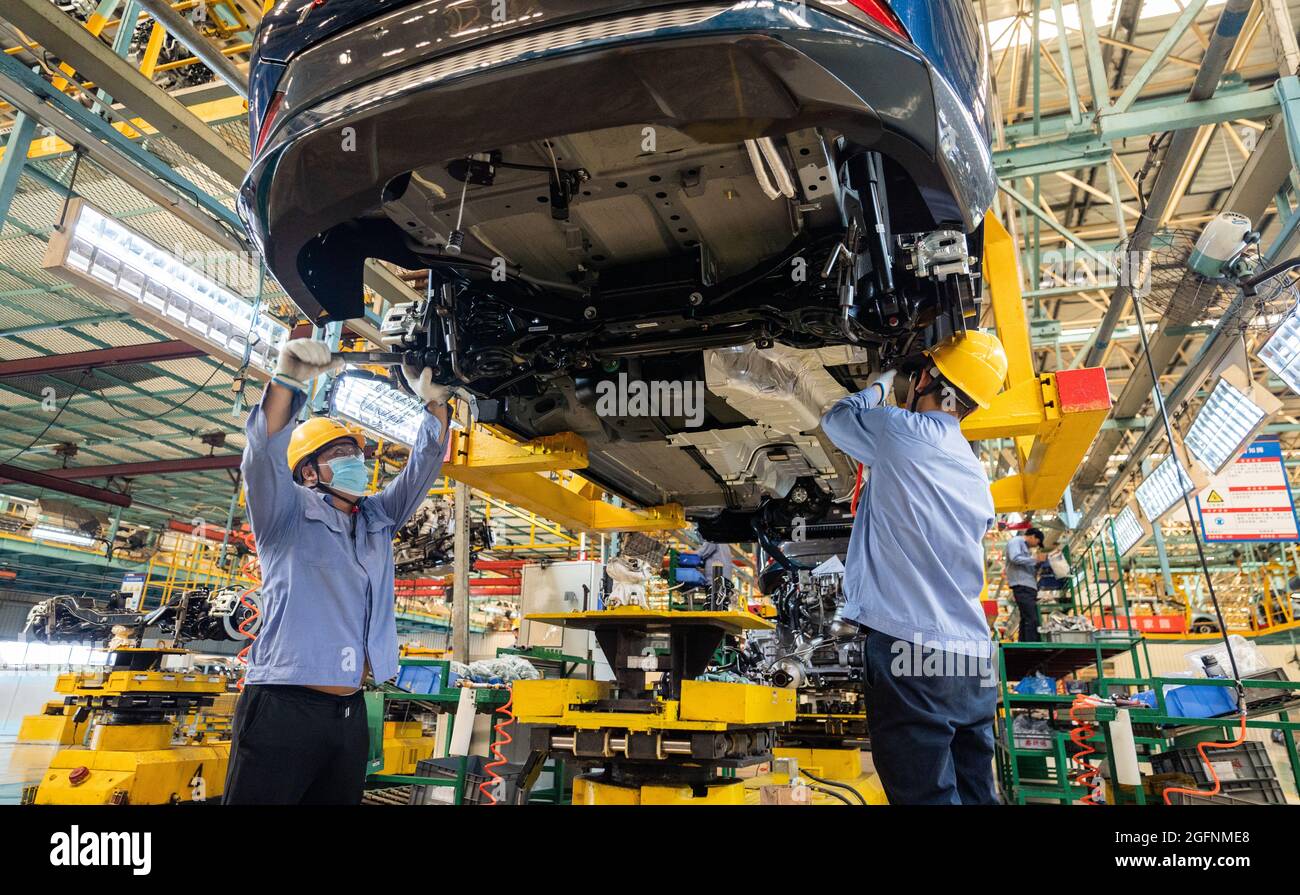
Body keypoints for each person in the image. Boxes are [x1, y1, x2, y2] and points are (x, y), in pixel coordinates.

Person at [223, 339, 451, 805]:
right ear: (308, 472)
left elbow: (424, 466)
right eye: (343, 453)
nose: (358, 461)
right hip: (284, 707)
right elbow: (263, 454)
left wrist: (436, 402)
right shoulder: (283, 515)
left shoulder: (376, 521)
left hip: (349, 712)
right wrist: (287, 381)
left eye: (358, 452)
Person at [820, 330, 1008, 806]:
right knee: (976, 794)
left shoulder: (899, 430)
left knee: (926, 797)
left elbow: (837, 418)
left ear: (926, 377)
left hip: (914, 653)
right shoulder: (974, 470)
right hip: (972, 660)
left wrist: (880, 385)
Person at [1006, 528, 1045, 643]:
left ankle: (1024, 643)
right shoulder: (1016, 542)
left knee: (1026, 618)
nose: (1036, 545)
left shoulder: (1026, 550)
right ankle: (1031, 645)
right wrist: (1035, 559)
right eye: (1037, 542)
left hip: (1027, 587)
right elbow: (1015, 558)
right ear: (1033, 536)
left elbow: (1027, 565)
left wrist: (1037, 564)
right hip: (1022, 586)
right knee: (1031, 618)